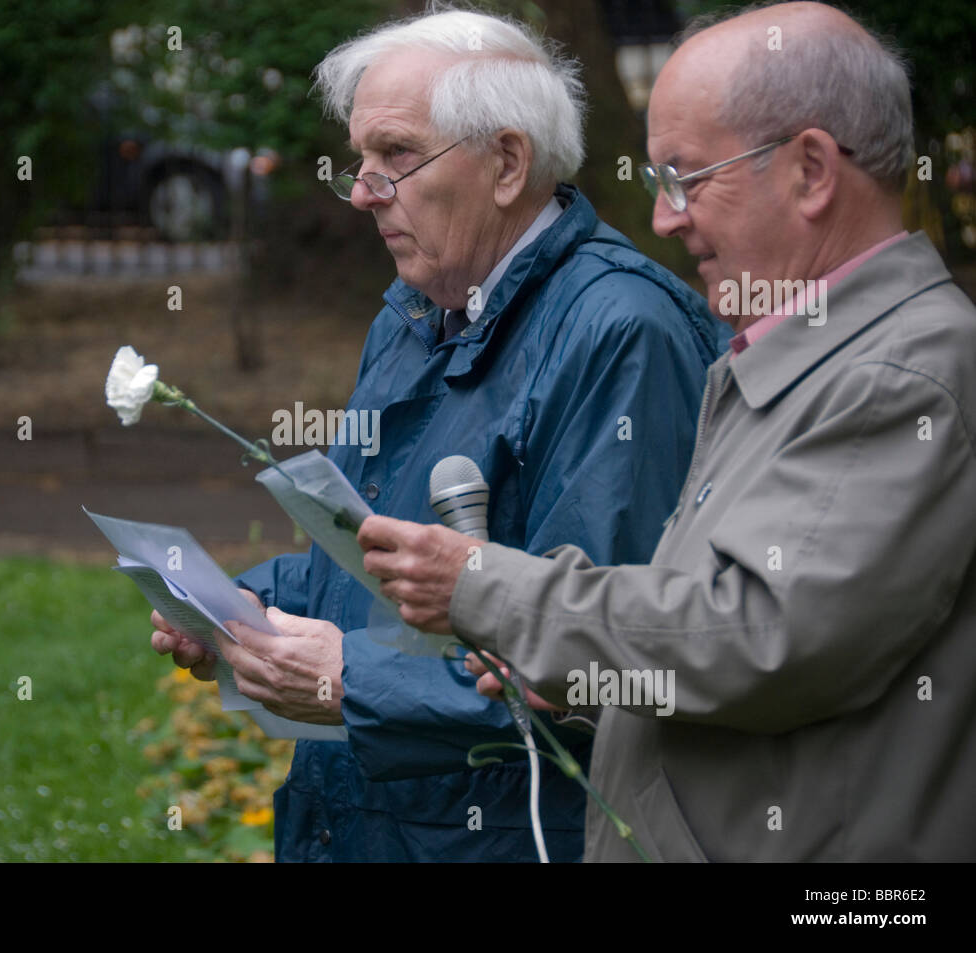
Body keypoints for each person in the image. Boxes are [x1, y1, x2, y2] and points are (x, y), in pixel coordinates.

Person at [358, 1, 976, 861]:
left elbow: (763, 636)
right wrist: (570, 678)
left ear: (810, 171)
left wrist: (488, 591)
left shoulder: (899, 375)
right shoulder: (803, 351)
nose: (665, 220)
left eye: (687, 178)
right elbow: (714, 638)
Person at [151, 7, 725, 862]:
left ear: (505, 162)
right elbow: (370, 567)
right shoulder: (420, 309)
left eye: (395, 155)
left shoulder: (622, 330)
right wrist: (243, 610)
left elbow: (603, 660)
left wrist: (350, 682)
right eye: (360, 159)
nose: (359, 189)